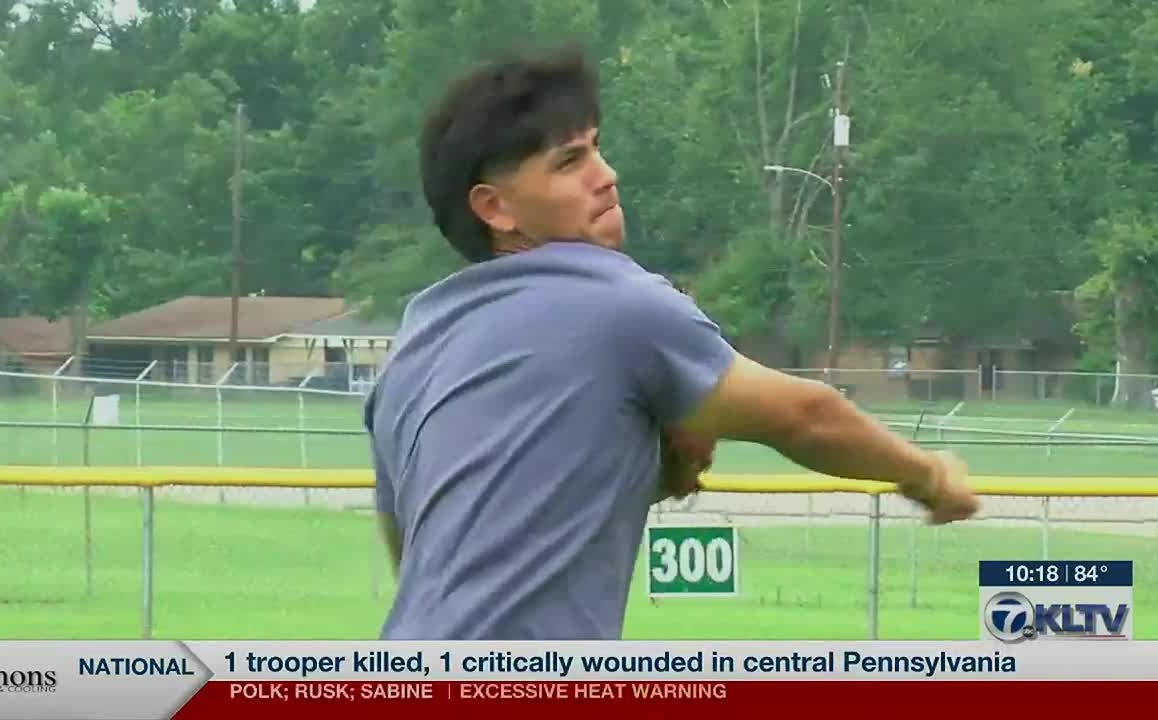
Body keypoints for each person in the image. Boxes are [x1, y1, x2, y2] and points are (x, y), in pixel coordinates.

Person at [362, 45, 979, 641]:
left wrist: (647, 469)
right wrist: (925, 474)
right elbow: (806, 417)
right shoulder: (612, 296)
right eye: (569, 162)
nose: (607, 176)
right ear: (495, 208)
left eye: (597, 149)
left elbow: (439, 553)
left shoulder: (415, 343)